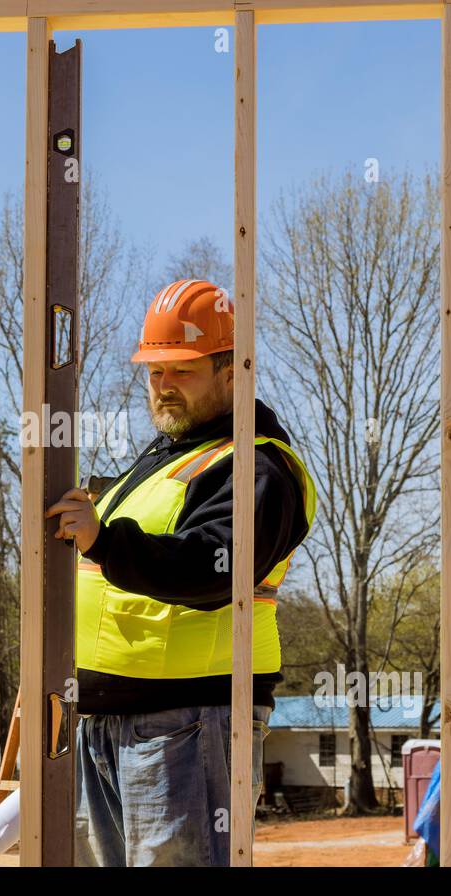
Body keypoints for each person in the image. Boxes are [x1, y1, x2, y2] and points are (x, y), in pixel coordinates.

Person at [45, 278, 317, 866]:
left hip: (189, 725)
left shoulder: (257, 465)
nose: (163, 387)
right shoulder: (162, 461)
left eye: (182, 371)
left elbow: (211, 565)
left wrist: (103, 540)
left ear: (231, 371)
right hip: (106, 726)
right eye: (154, 372)